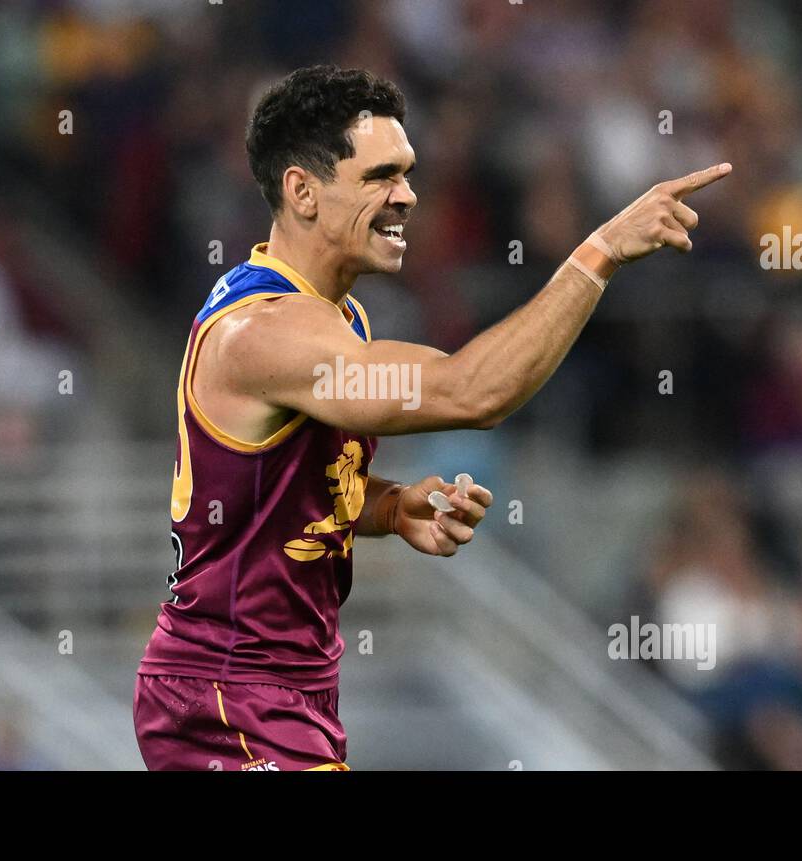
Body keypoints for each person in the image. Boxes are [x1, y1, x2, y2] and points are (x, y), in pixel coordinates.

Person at [134, 65, 730, 770]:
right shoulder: (265, 335)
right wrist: (596, 255)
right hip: (228, 697)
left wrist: (388, 507)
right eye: (381, 176)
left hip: (283, 694)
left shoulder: (329, 315)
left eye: (408, 173)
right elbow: (471, 392)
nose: (408, 195)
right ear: (302, 191)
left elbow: (261, 492)